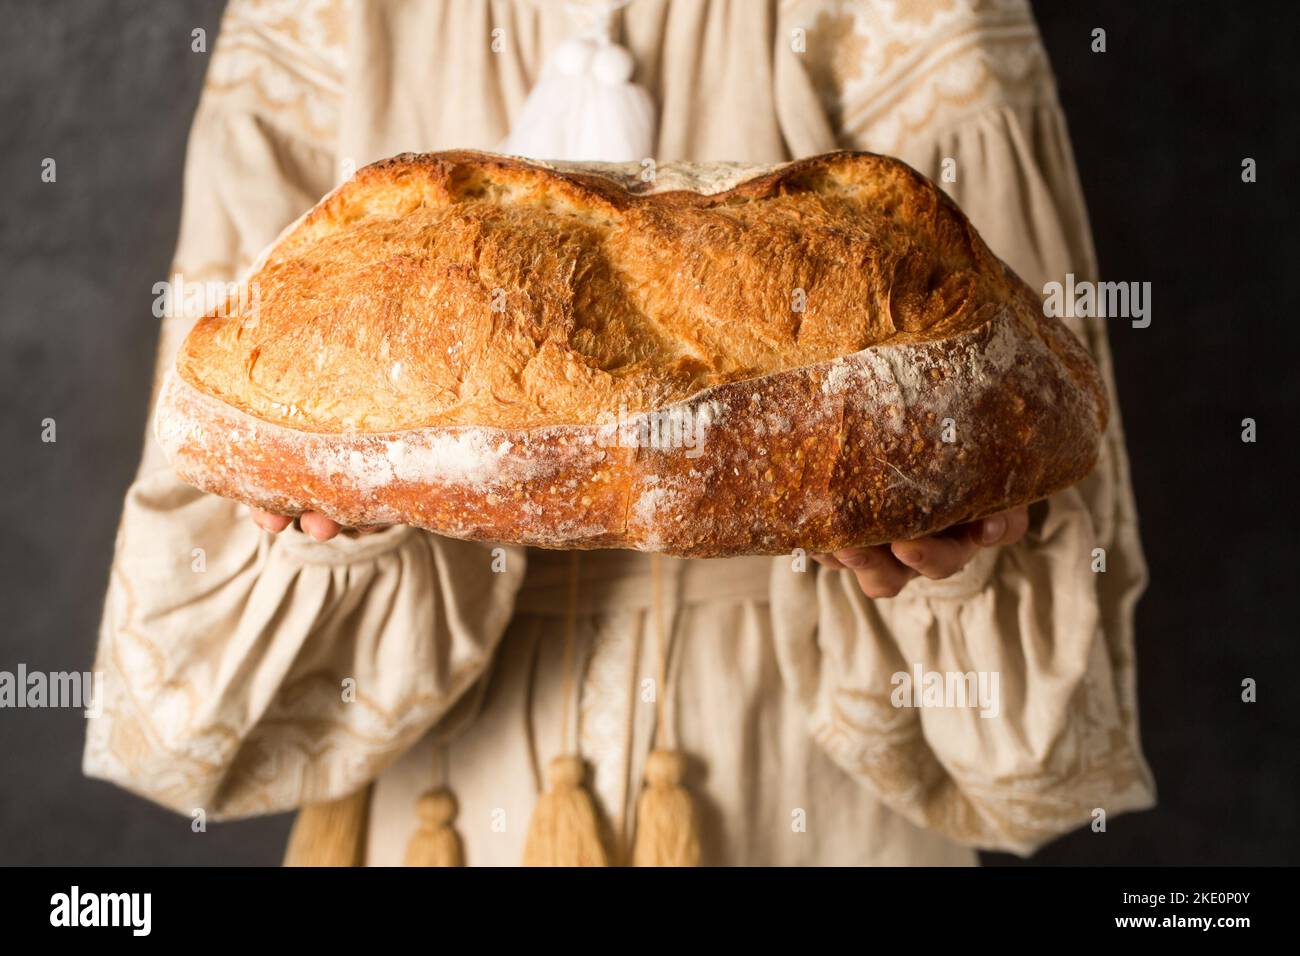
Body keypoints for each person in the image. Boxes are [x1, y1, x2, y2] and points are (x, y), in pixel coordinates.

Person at [85, 0, 1154, 866]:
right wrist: (346, 494)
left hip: (790, 781)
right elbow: (182, 660)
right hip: (448, 797)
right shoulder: (315, 18)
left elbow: (1032, 429)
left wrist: (956, 543)